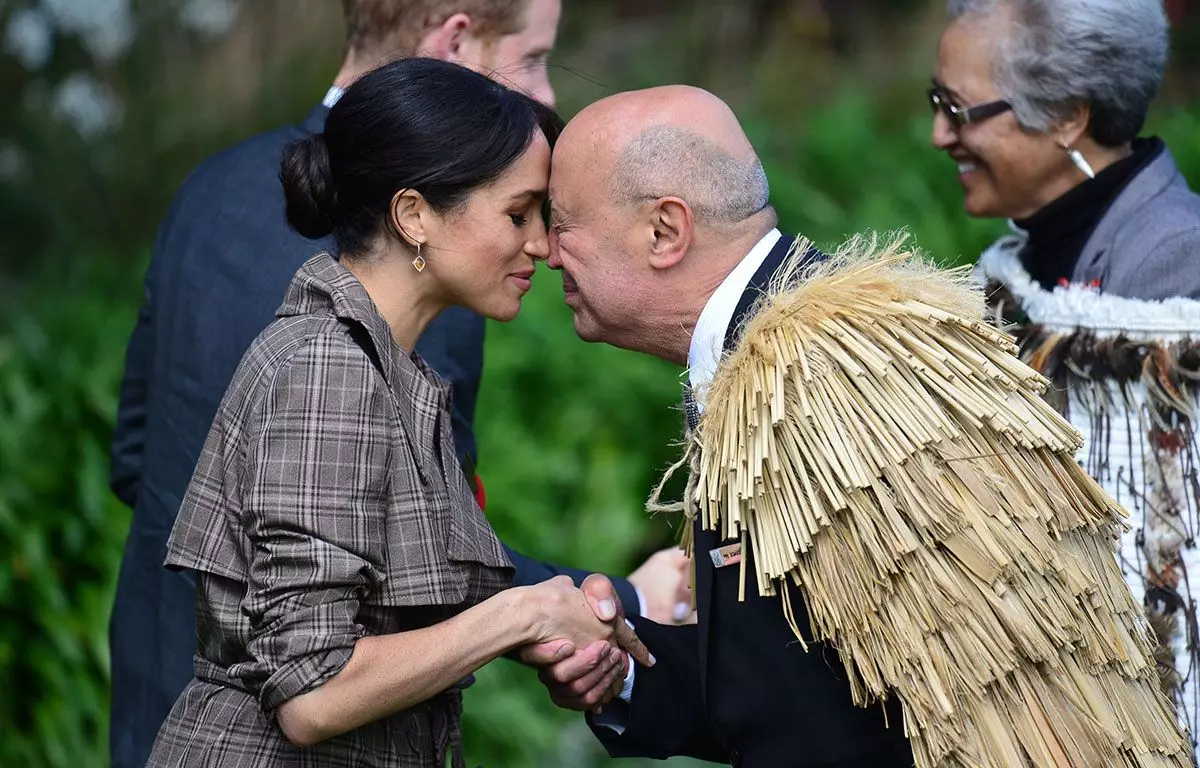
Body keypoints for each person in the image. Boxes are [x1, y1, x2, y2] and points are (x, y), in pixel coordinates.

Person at [107, 2, 688, 765]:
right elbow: (312, 692)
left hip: (158, 682)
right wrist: (535, 612)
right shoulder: (334, 363)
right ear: (414, 216)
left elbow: (139, 458)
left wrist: (562, 612)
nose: (543, 248)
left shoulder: (217, 196)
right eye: (519, 214)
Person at [929, 0, 1200, 746]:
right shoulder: (1023, 262)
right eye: (936, 103)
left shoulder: (1175, 269)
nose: (939, 134)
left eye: (957, 109)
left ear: (1068, 119)